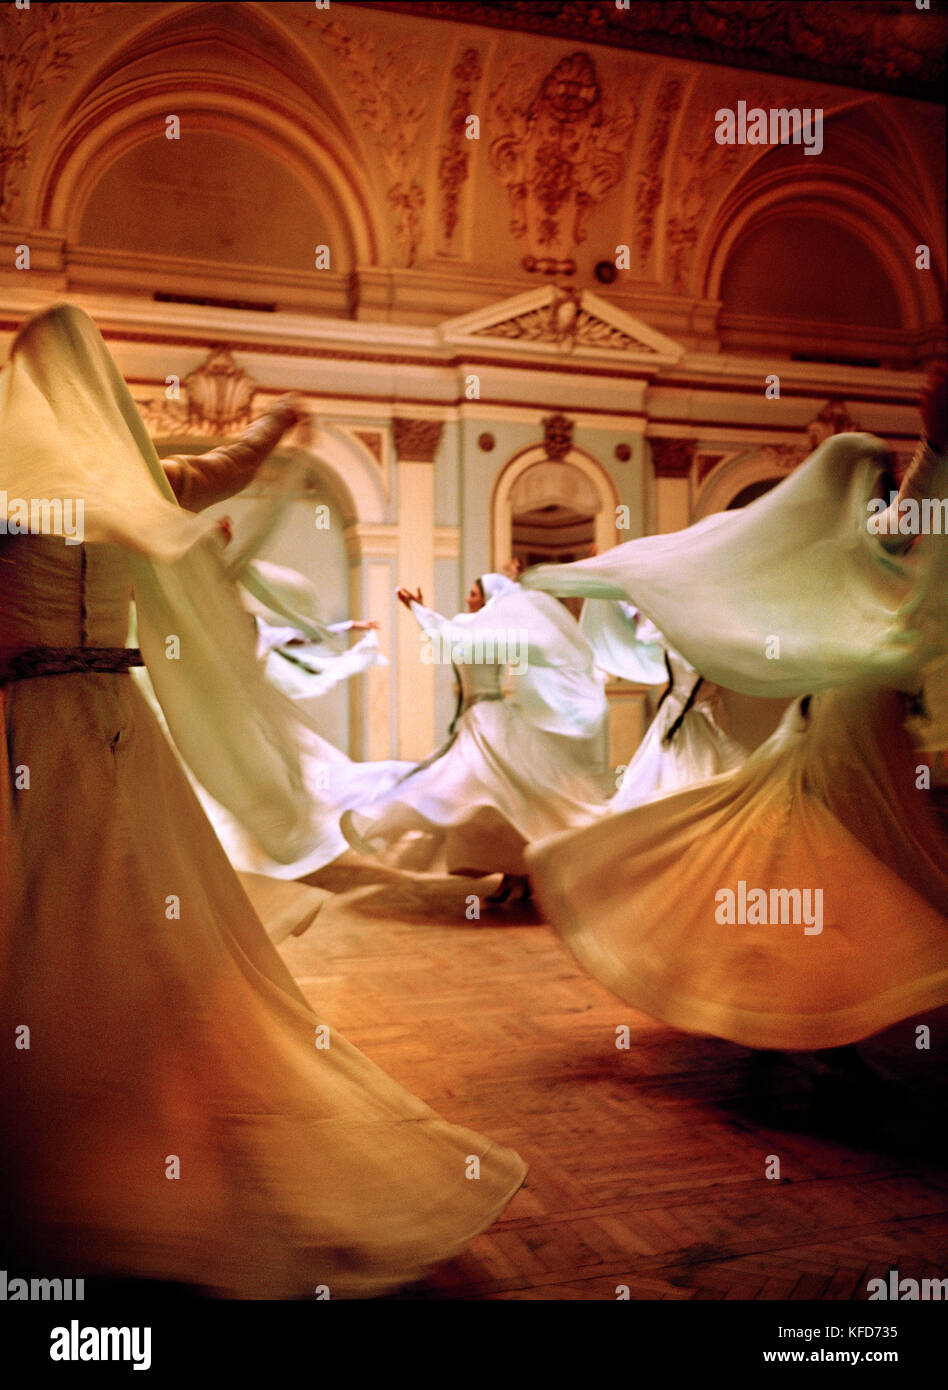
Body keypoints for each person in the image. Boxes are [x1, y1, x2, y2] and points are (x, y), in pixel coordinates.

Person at [0, 303, 526, 1297]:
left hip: (26, 725)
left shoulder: (12, 489)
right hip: (116, 723)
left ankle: (70, 1139)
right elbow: (229, 469)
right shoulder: (134, 479)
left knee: (38, 933)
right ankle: (158, 1121)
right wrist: (279, 424)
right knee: (158, 940)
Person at [521, 388, 948, 1050]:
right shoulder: (856, 552)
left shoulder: (811, 559)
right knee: (827, 843)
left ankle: (800, 990)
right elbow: (913, 517)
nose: (887, 493)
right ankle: (829, 992)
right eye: (880, 480)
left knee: (806, 840)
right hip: (845, 712)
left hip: (834, 712)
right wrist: (935, 446)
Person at [341, 572, 608, 902]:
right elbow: (450, 637)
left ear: (486, 597)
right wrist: (423, 612)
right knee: (491, 801)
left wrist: (419, 611)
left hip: (490, 720)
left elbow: (453, 637)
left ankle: (524, 876)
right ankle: (513, 876)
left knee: (494, 795)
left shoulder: (492, 629)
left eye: (472, 592)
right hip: (475, 719)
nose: (467, 598)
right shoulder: (474, 626)